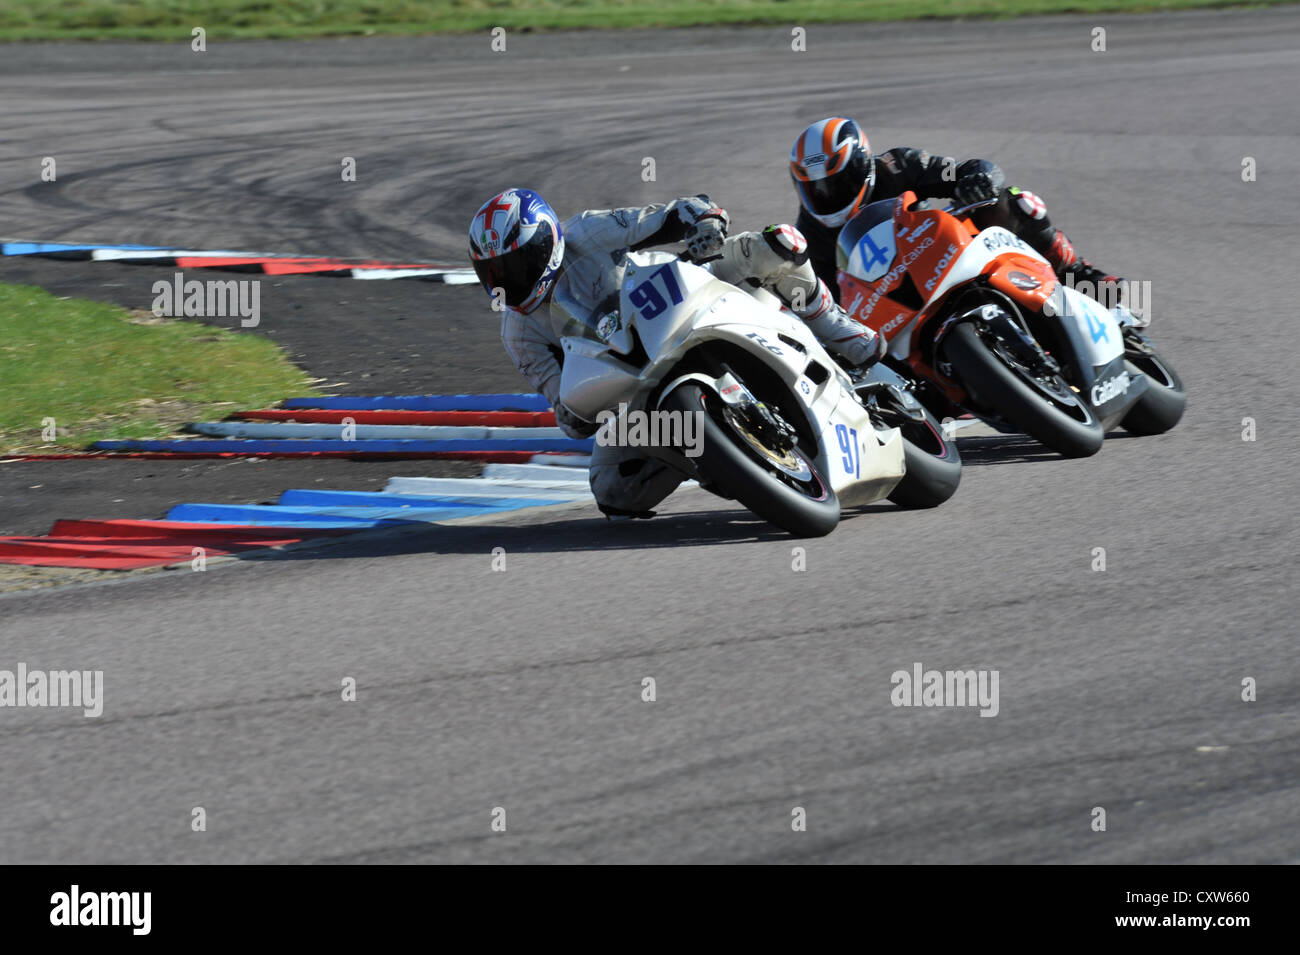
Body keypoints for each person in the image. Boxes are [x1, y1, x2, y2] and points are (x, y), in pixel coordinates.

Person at [467, 187, 883, 518]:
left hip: (678, 298)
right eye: (494, 274)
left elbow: (669, 214)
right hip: (633, 384)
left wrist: (702, 220)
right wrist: (577, 409)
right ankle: (716, 460)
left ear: (546, 240)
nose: (507, 283)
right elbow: (565, 409)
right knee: (614, 488)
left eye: (516, 265)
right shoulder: (518, 332)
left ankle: (833, 326)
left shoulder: (586, 232)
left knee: (773, 244)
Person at [788, 117, 1123, 302]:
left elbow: (972, 167)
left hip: (941, 252)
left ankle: (1080, 274)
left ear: (862, 164)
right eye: (814, 187)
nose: (825, 194)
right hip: (892, 303)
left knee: (1013, 200)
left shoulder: (899, 166)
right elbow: (823, 301)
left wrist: (977, 179)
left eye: (836, 181)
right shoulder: (808, 237)